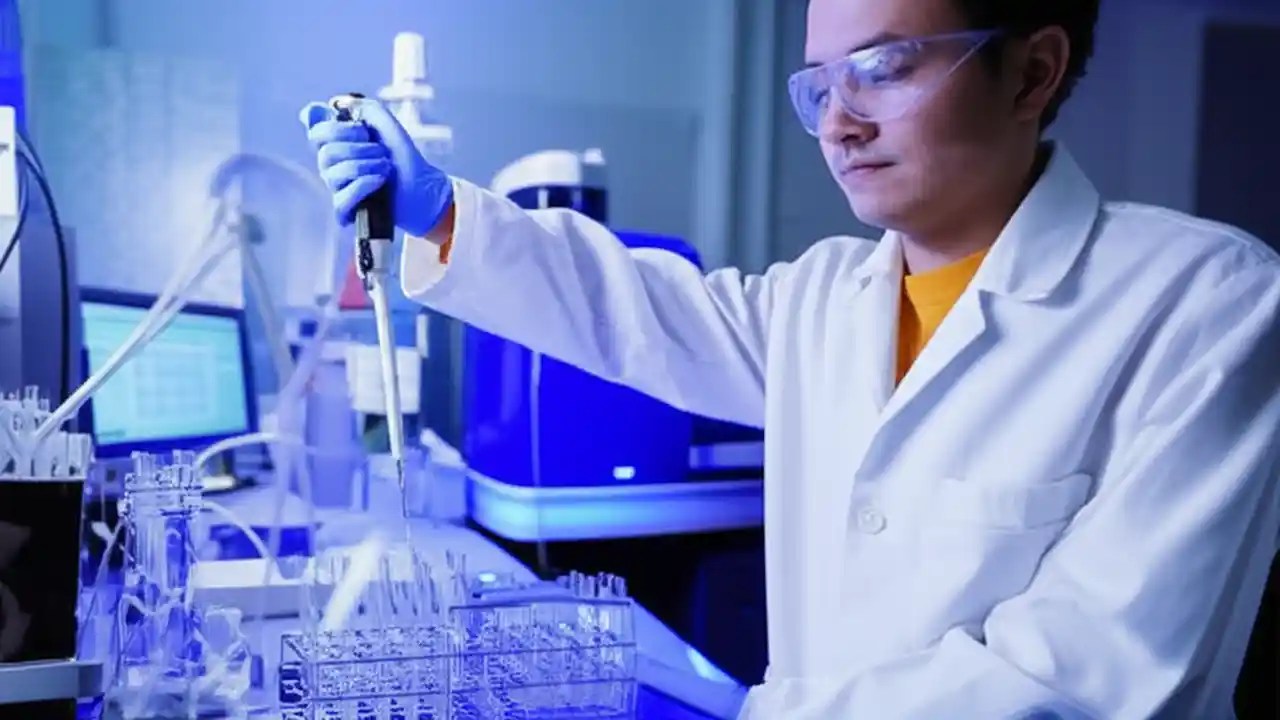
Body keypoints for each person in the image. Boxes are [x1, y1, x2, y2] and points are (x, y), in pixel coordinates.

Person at [301, 0, 1280, 716]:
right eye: (819, 85)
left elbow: (1082, 677)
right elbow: (633, 309)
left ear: (1030, 72)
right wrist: (440, 214)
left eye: (884, 67)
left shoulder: (1204, 306)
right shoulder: (824, 298)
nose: (839, 124)